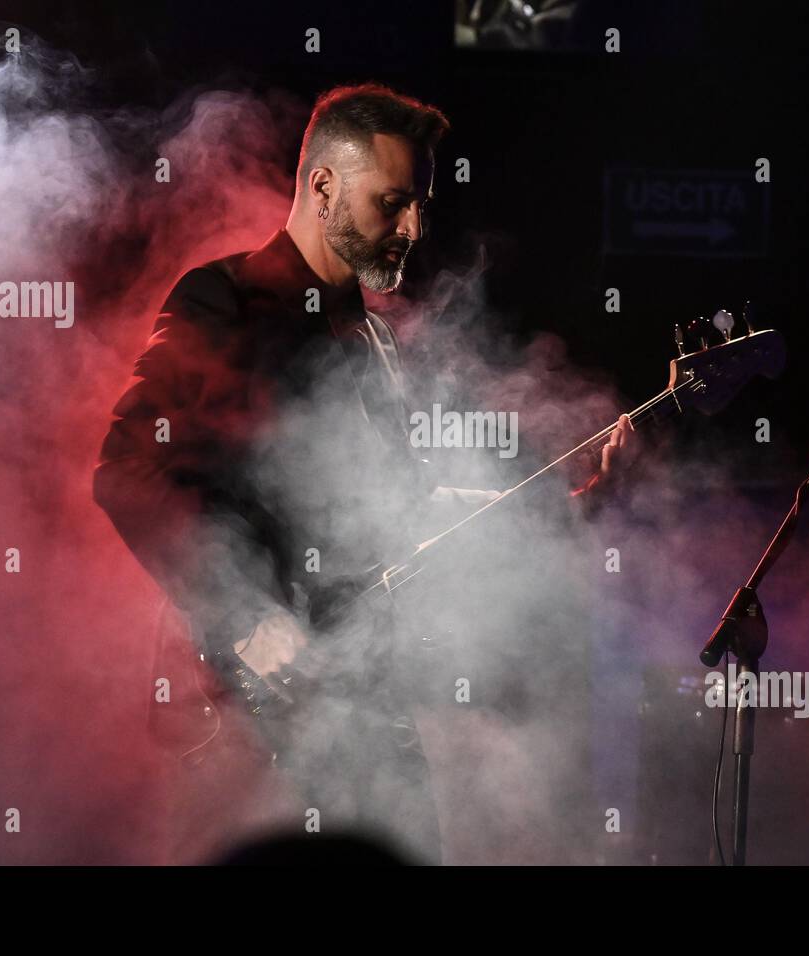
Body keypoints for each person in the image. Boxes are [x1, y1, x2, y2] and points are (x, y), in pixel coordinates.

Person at [93, 82, 633, 864]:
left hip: (360, 707)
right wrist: (244, 616)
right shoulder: (225, 300)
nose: (414, 227)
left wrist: (563, 507)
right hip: (240, 716)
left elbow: (409, 508)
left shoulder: (371, 341)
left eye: (420, 205)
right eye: (393, 202)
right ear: (322, 186)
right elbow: (126, 471)